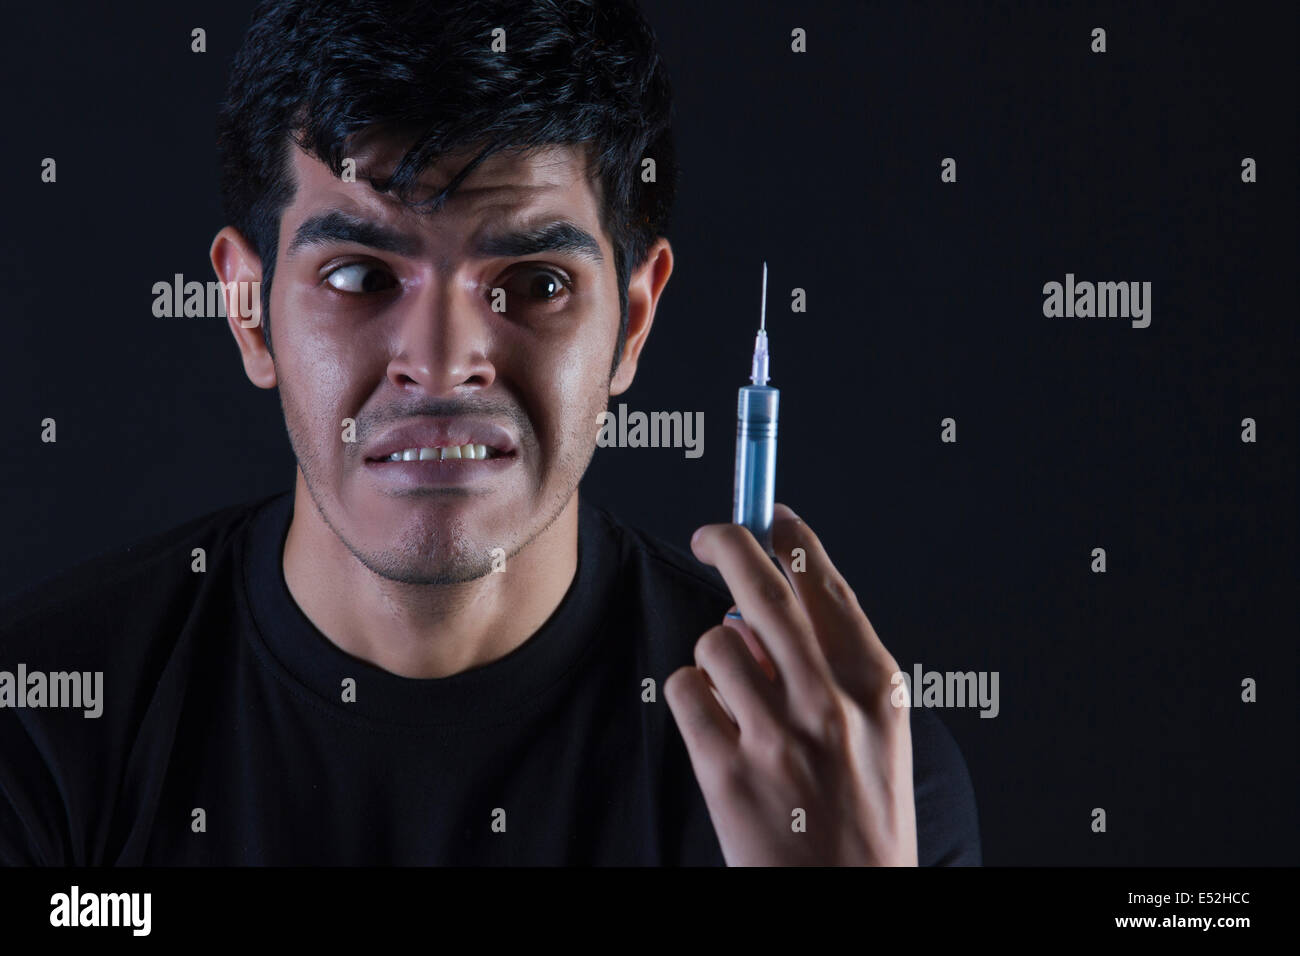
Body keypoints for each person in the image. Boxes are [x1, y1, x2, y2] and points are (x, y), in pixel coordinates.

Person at [0, 0, 980, 865]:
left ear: (631, 324)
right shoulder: (43, 727)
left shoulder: (848, 780)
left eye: (535, 284)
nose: (440, 360)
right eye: (359, 275)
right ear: (249, 309)